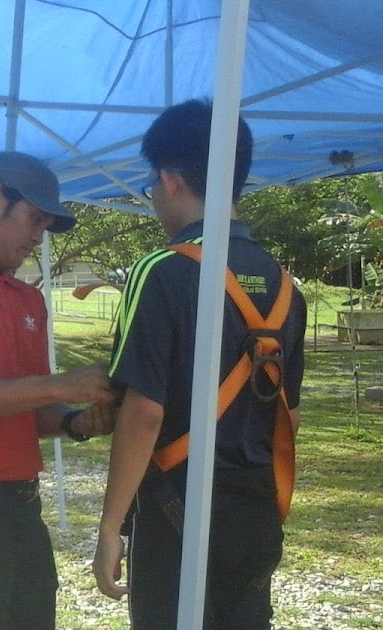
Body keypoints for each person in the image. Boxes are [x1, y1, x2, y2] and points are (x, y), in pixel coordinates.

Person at [92, 99, 307, 629]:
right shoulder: (285, 286)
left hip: (178, 506)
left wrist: (110, 525)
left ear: (169, 179)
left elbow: (143, 413)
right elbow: (289, 415)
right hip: (255, 506)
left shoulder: (161, 271)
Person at [0, 151, 117, 630]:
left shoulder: (28, 297)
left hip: (23, 509)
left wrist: (74, 420)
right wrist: (65, 383)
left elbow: (33, 406)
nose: (38, 235)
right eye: (34, 219)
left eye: (46, 225)